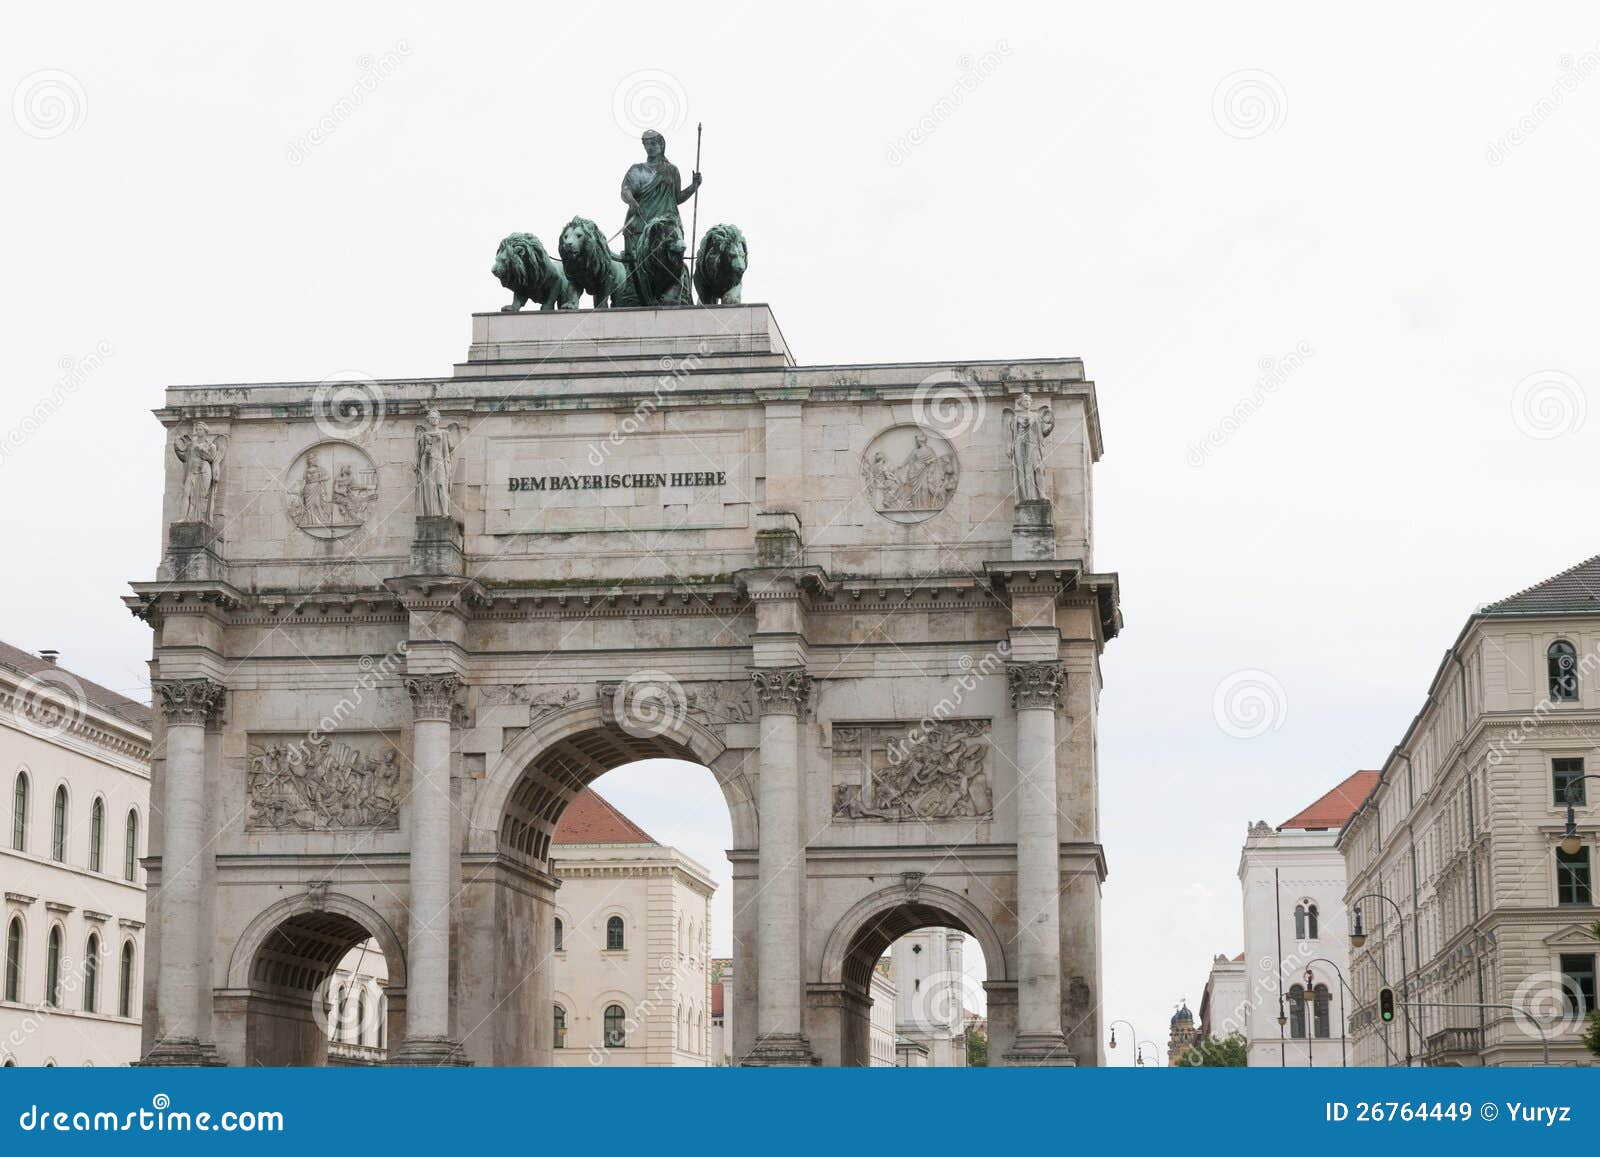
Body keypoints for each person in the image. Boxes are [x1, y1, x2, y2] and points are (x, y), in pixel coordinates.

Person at [619, 130, 701, 263]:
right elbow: (626, 190)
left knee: (672, 263)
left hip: (667, 225)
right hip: (642, 221)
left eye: (653, 143)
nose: (650, 147)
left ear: (661, 145)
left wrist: (694, 186)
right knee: (634, 263)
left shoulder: (672, 170)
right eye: (646, 144)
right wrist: (632, 201)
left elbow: (677, 198)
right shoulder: (637, 169)